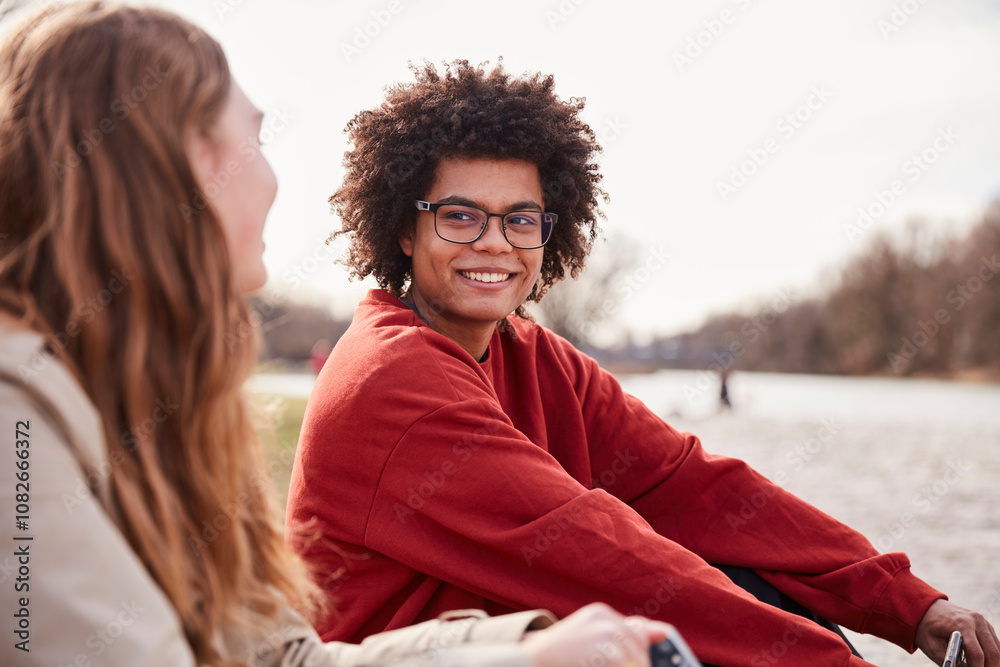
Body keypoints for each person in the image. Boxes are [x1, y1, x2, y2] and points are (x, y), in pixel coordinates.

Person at [0, 5, 674, 666]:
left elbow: (284, 657)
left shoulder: (162, 408)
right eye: (253, 141)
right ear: (175, 167)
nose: (268, 178)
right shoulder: (15, 428)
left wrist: (525, 651)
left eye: (520, 219)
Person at [284, 60, 1000, 667]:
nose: (494, 243)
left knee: (745, 569)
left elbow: (692, 486)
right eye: (461, 215)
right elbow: (601, 552)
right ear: (404, 230)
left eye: (521, 218)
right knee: (688, 609)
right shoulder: (392, 379)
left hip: (508, 638)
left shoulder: (533, 355)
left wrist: (912, 605)